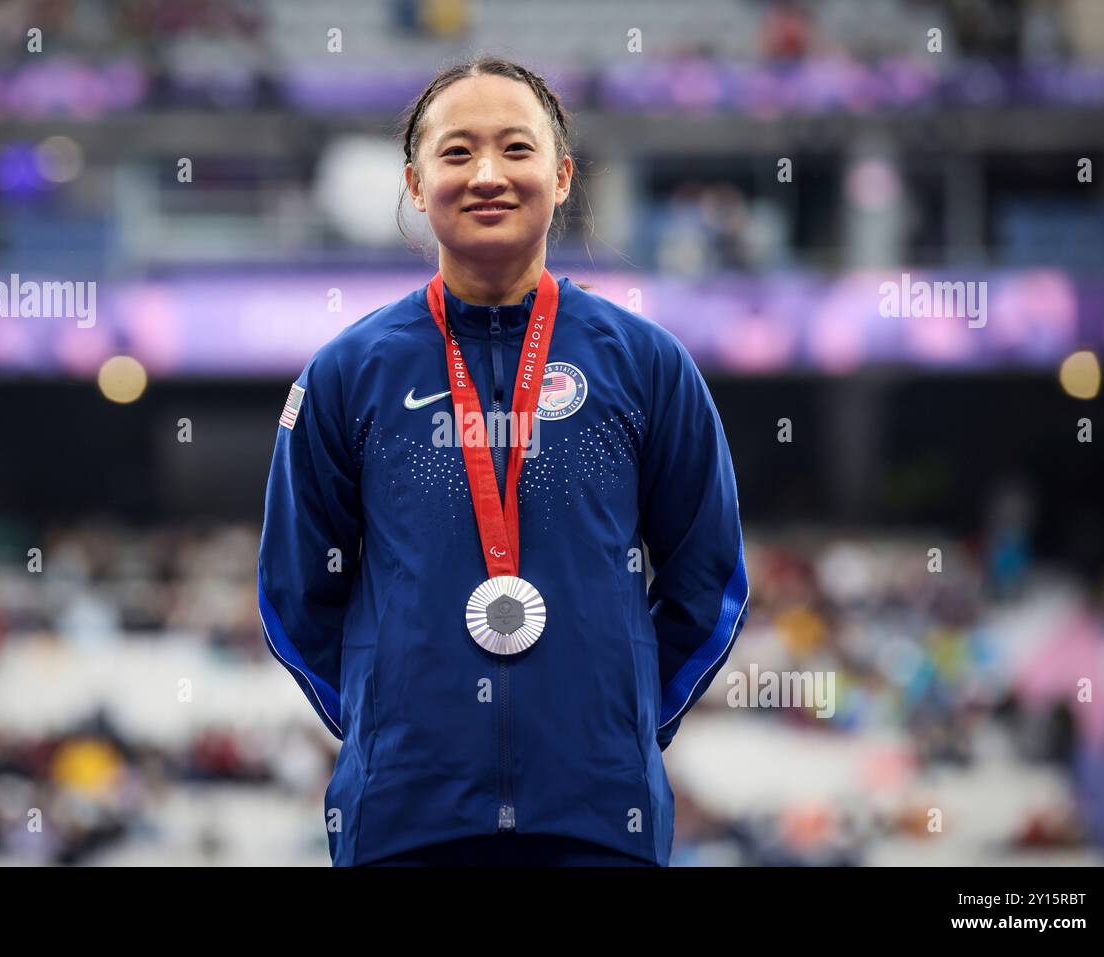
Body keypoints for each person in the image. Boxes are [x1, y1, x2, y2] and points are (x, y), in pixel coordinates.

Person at [257, 56, 749, 867]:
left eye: (516, 149)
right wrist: (395, 723)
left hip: (600, 822)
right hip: (404, 823)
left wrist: (616, 723)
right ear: (415, 186)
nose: (487, 174)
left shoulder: (648, 364)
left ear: (560, 177)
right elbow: (292, 593)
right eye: (456, 153)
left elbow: (710, 577)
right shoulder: (347, 373)